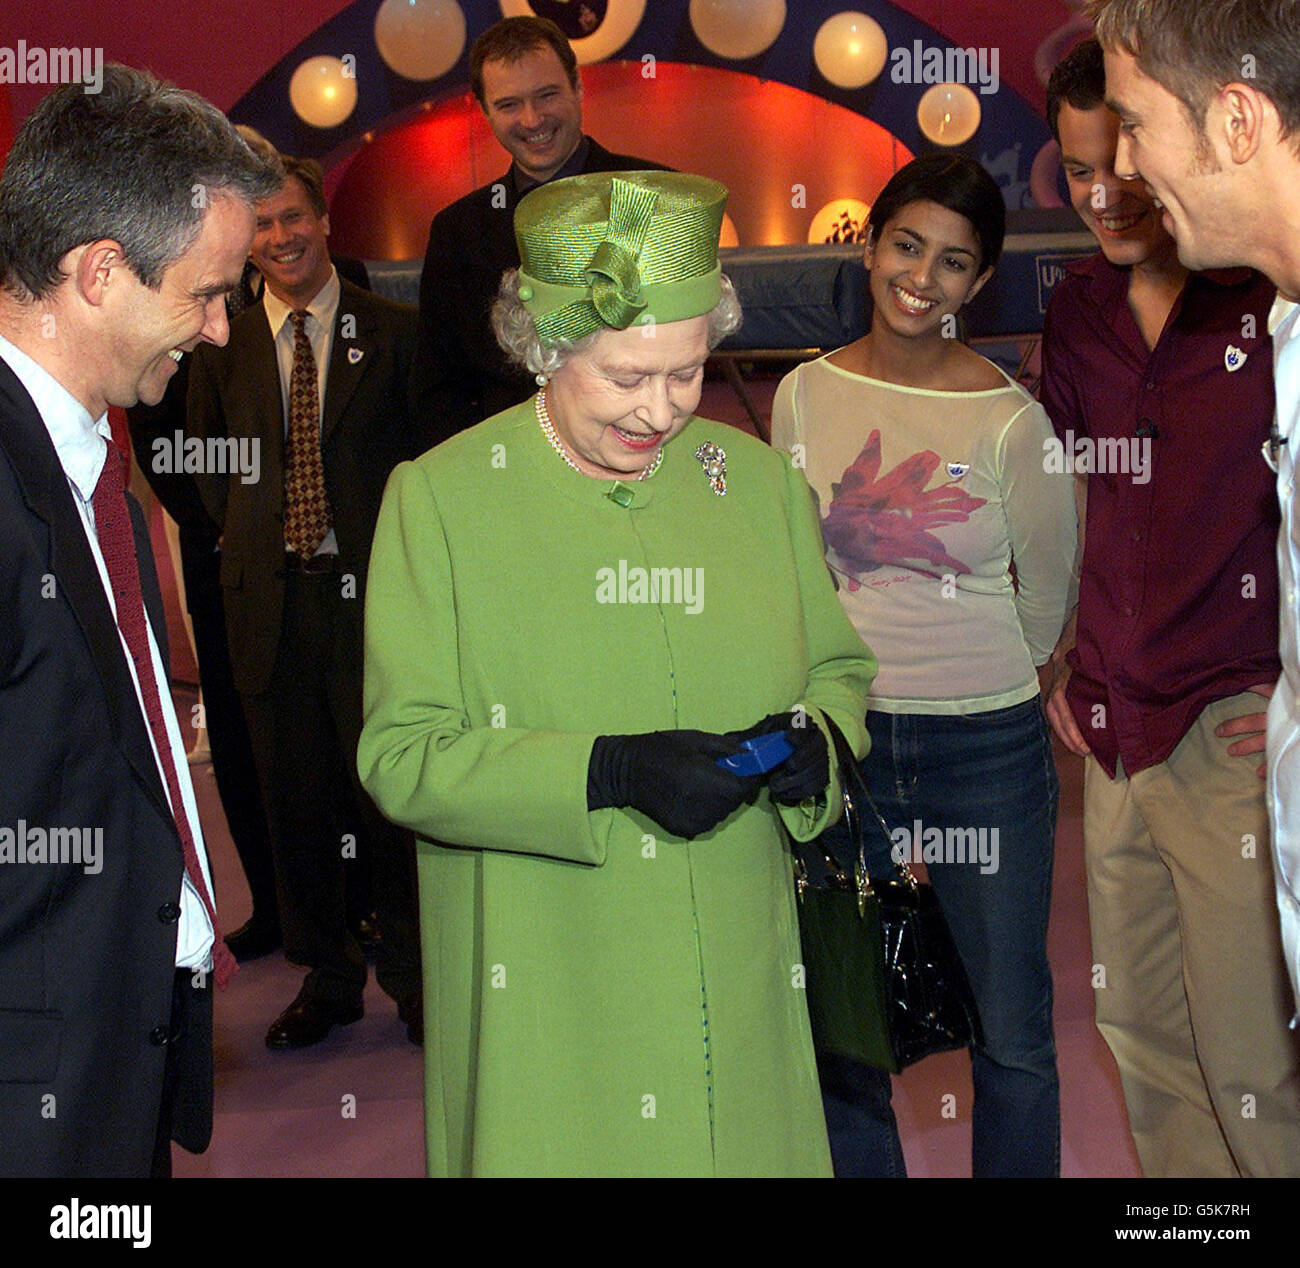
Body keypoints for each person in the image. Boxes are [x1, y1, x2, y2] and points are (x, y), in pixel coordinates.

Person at [359, 170, 876, 1177]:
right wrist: (607, 773)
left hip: (738, 970)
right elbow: (401, 753)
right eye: (625, 377)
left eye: (685, 372)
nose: (661, 410)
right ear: (543, 348)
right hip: (552, 982)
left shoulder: (757, 481)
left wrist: (819, 738)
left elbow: (838, 666)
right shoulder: (444, 499)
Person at [771, 153, 1076, 1178]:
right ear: (869, 243)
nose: (921, 276)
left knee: (1011, 1029)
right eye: (906, 244)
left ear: (979, 280)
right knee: (848, 1028)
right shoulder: (802, 395)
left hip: (983, 747)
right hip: (842, 742)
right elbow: (792, 575)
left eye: (953, 261)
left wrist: (973, 687)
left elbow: (1045, 603)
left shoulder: (1010, 421)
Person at [0, 65, 279, 1177]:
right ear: (100, 272)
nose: (220, 330)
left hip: (110, 1054)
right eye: (207, 292)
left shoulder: (90, 454)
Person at [1040, 37, 1300, 1178]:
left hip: (1229, 724)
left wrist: (1278, 701)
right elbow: (1062, 505)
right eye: (1076, 167)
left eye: (1125, 153)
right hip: (1109, 727)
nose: (1104, 191)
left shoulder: (1266, 303)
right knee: (1138, 1031)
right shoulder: (1078, 310)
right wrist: (1062, 658)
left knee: (1252, 1053)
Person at [187, 156, 427, 1048]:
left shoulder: (398, 331)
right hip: (270, 611)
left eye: (293, 218)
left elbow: (426, 470)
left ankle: (412, 979)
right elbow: (210, 468)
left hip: (376, 609)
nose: (280, 239)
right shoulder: (223, 342)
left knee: (389, 803)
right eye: (261, 226)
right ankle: (327, 979)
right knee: (299, 808)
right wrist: (260, 536)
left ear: (325, 220)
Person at [412, 15, 666, 443]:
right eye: (509, 104)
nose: (532, 120)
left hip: (643, 451)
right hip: (508, 470)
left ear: (578, 89)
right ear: (485, 110)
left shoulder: (655, 199)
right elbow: (439, 389)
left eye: (546, 95)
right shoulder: (457, 231)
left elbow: (688, 357)